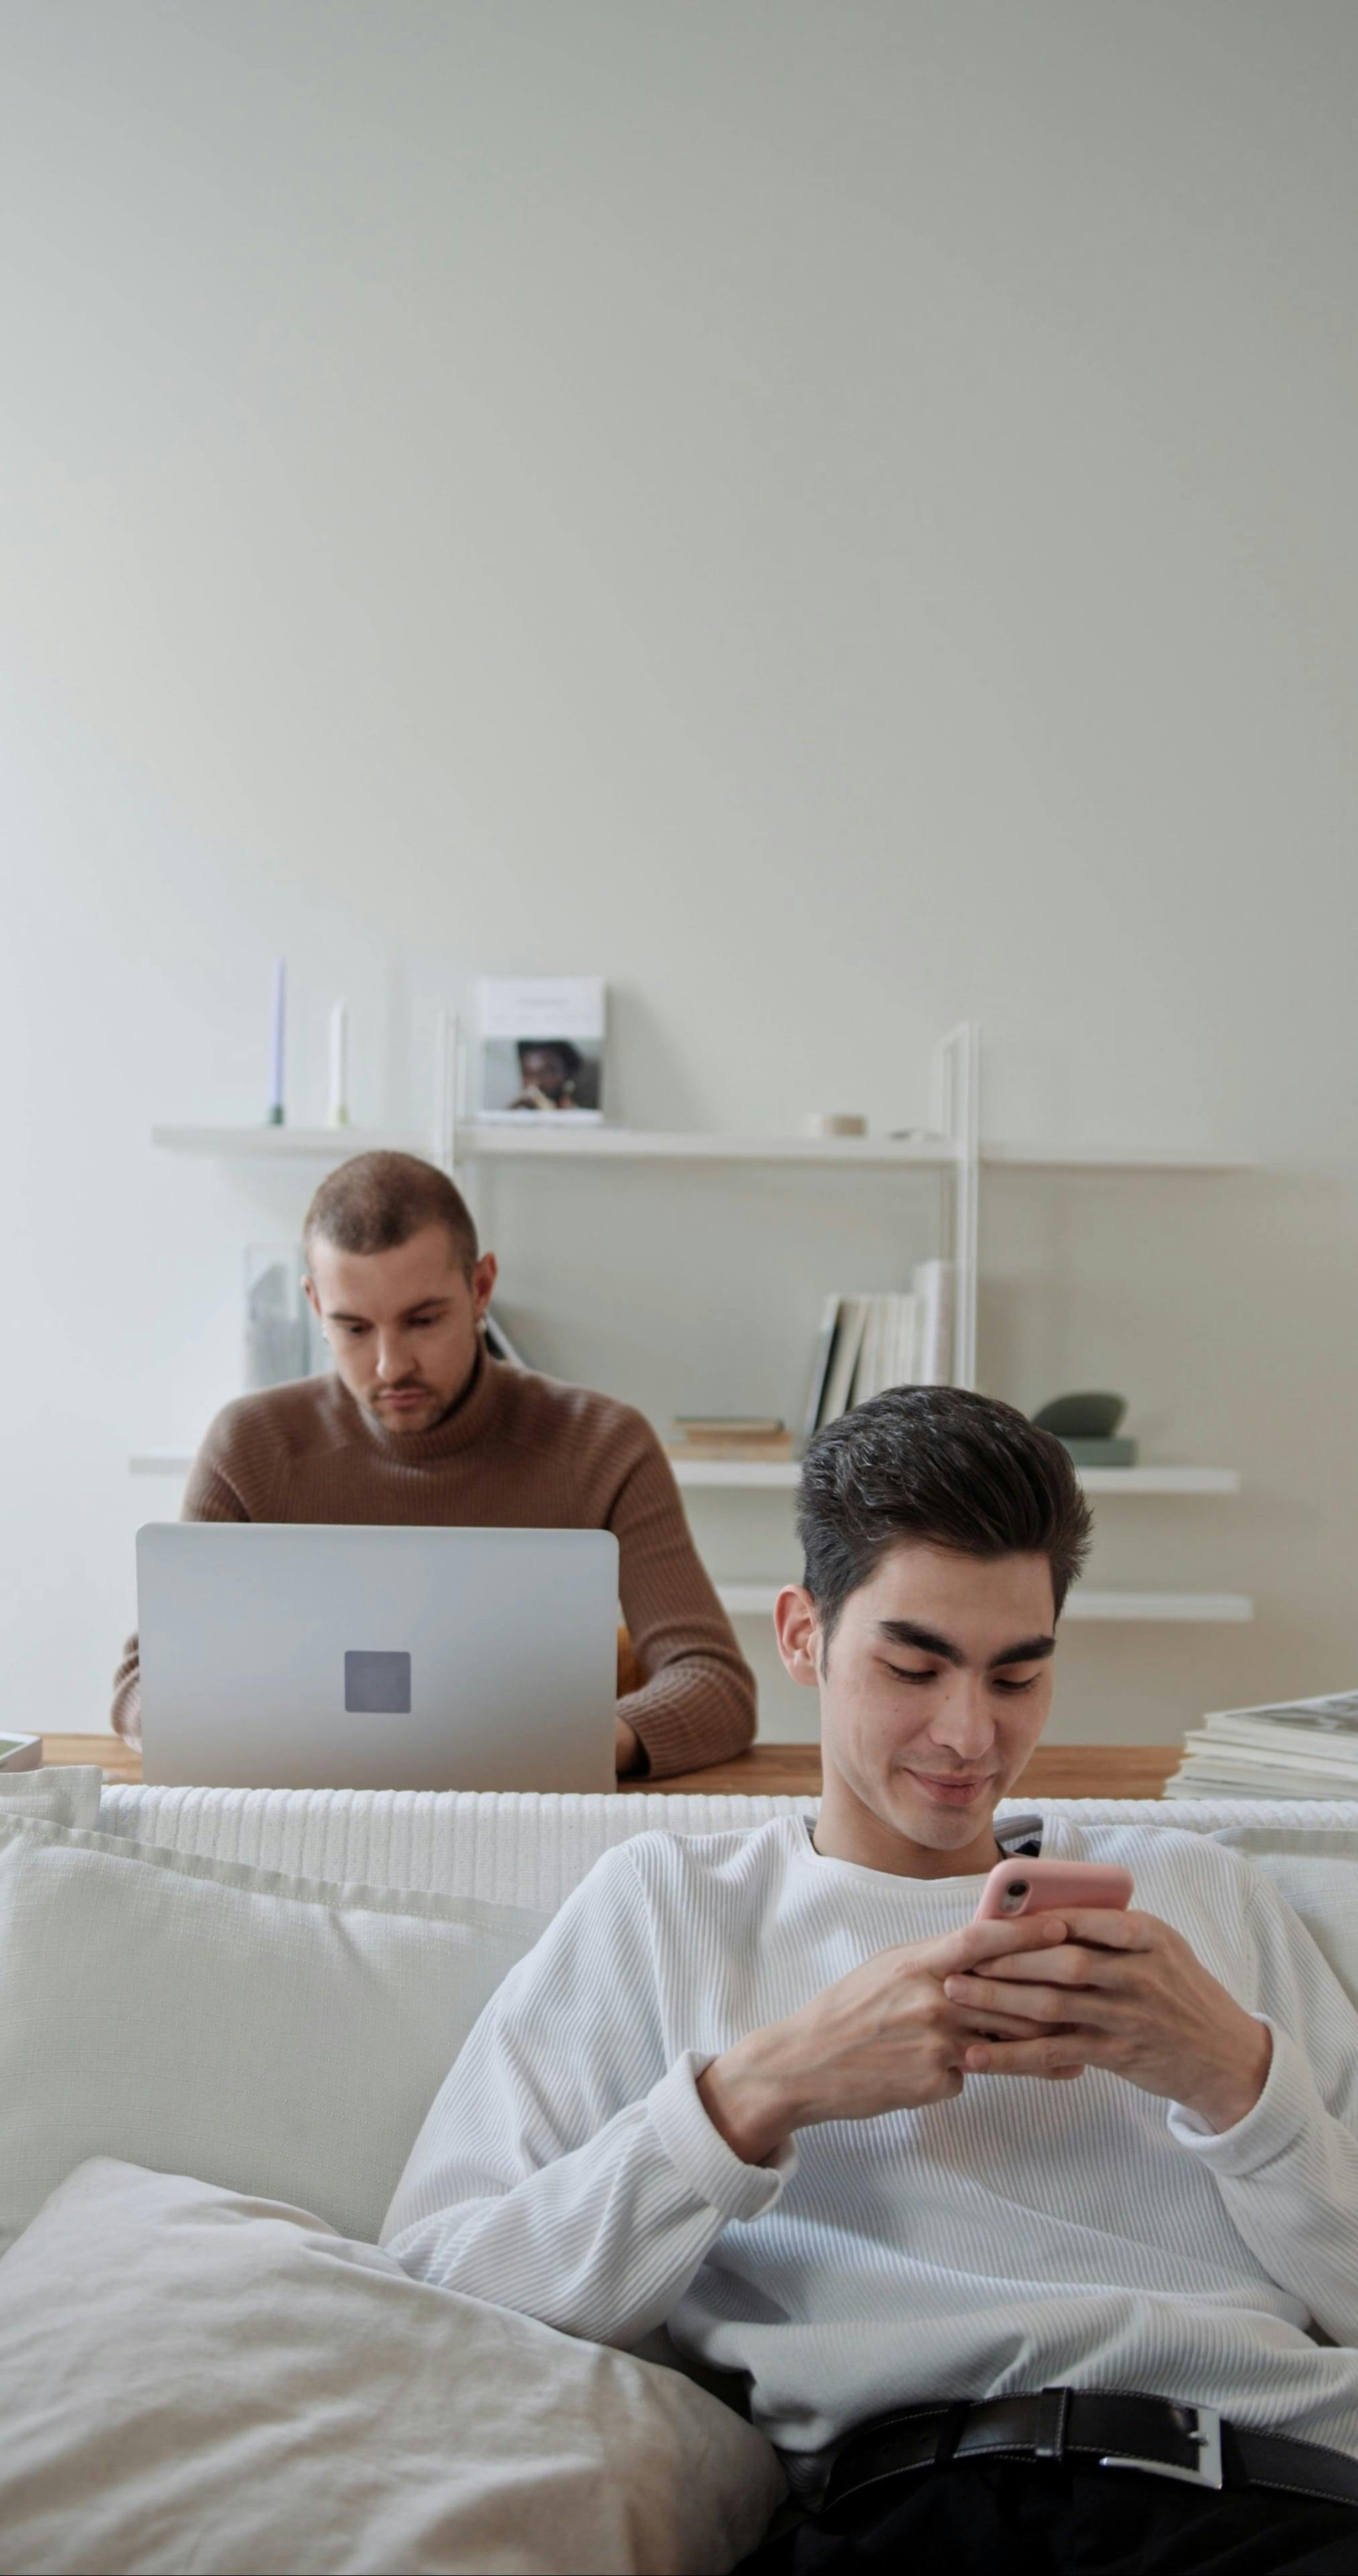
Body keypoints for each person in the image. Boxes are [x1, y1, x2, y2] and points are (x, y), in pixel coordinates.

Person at [381, 1385, 1358, 2572]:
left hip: (1276, 2495)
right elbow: (439, 2288)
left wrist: (1240, 2086)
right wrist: (754, 2095)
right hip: (909, 2516)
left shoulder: (1203, 1893)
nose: (969, 1737)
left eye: (1016, 1677)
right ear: (803, 1635)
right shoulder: (671, 1909)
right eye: (914, 1667)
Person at [111, 1151, 754, 1778]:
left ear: (481, 1289)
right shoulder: (250, 1445)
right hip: (305, 1813)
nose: (392, 1366)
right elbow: (145, 1685)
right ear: (314, 1306)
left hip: (525, 1818)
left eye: (422, 1320)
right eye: (354, 1329)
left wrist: (572, 1748)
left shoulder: (603, 1445)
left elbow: (714, 1681)